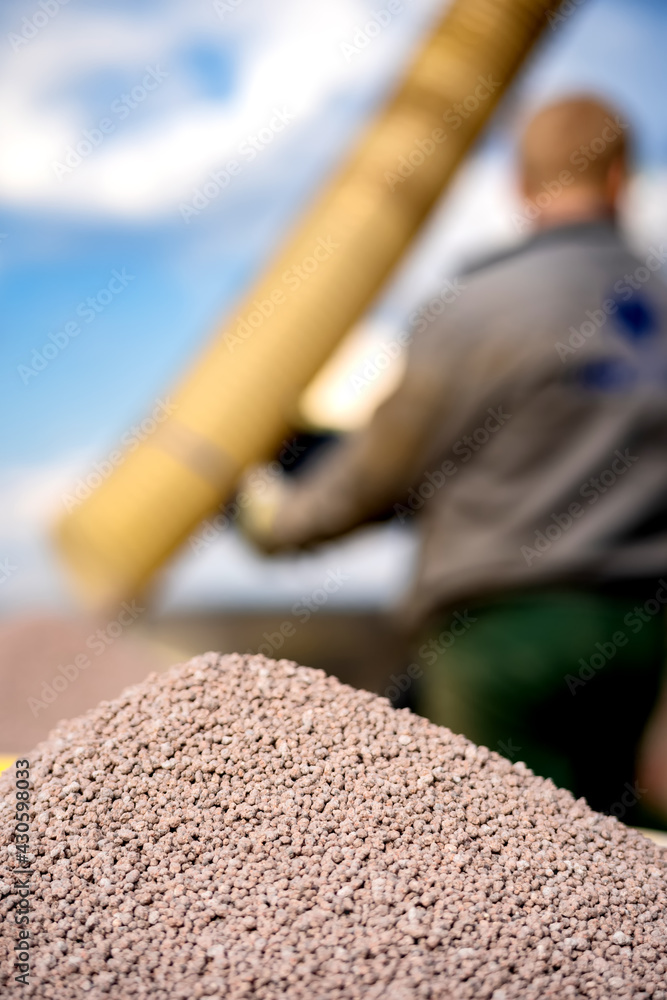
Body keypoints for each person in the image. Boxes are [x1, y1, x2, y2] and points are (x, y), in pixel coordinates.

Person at [239, 96, 667, 825]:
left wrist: (274, 521)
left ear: (518, 182)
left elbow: (378, 476)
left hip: (499, 634)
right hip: (641, 633)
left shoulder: (473, 311)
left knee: (504, 864)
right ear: (620, 175)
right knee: (617, 866)